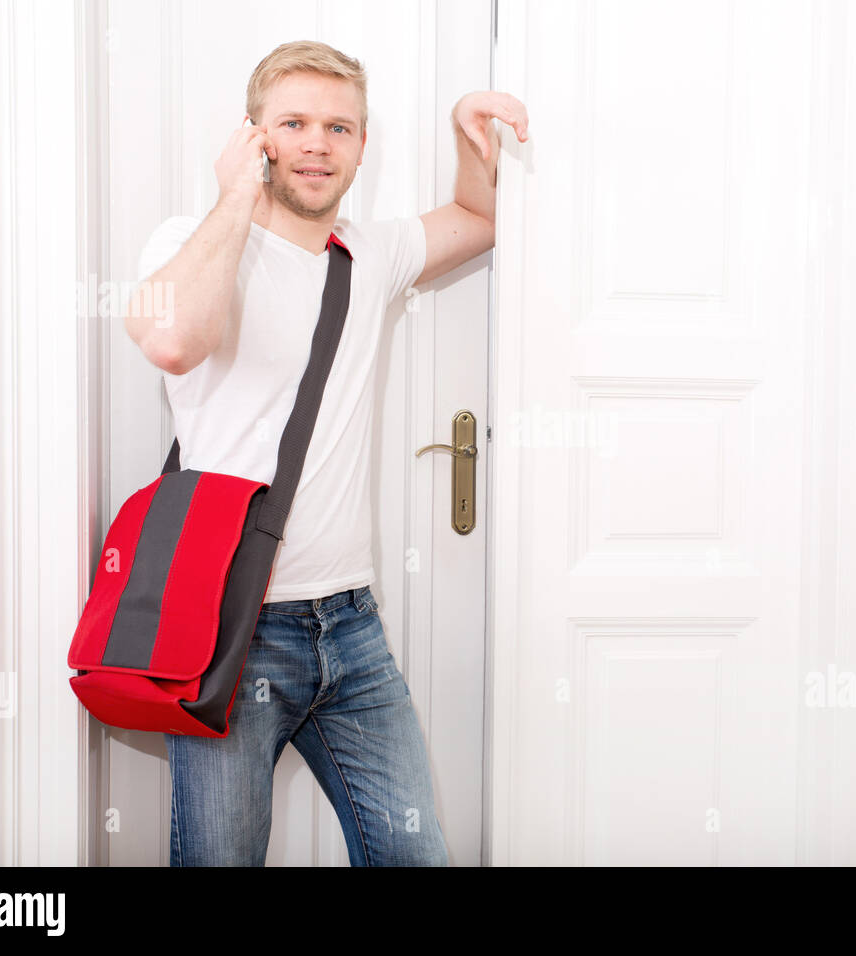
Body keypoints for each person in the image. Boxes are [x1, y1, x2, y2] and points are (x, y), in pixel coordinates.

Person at [124, 40, 528, 866]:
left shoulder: (367, 255)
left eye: (339, 127)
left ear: (362, 145)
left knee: (417, 856)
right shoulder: (189, 240)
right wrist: (236, 194)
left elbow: (480, 221)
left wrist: (465, 133)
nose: (317, 143)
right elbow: (170, 340)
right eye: (294, 123)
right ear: (255, 136)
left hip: (351, 629)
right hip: (232, 632)